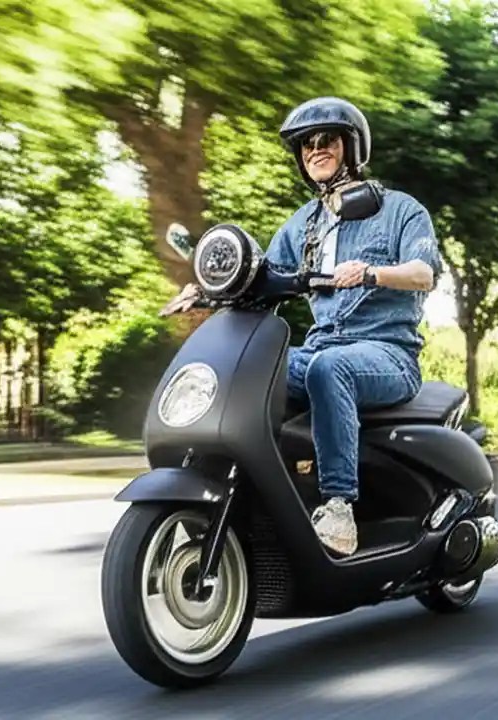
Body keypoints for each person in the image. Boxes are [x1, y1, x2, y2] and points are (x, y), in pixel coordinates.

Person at [161, 97, 442, 556]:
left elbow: (422, 273)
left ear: (351, 147)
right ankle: (241, 497)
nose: (316, 150)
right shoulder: (302, 226)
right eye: (306, 144)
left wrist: (373, 272)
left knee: (329, 369)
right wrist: (205, 290)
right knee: (246, 372)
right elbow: (261, 277)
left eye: (326, 140)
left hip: (386, 351)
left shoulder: (400, 210)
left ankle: (338, 507)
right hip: (320, 348)